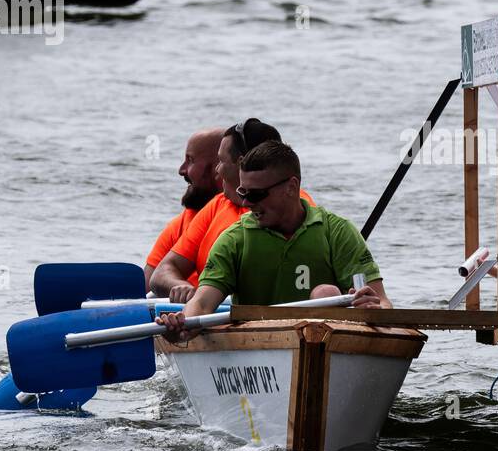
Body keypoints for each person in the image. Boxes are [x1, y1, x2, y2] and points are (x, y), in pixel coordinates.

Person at [157, 141, 389, 341]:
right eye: (243, 192)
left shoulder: (337, 231)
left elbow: (384, 303)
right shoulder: (234, 239)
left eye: (256, 194)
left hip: (328, 343)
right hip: (257, 346)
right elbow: (203, 304)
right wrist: (183, 325)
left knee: (325, 294)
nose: (247, 204)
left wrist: (373, 309)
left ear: (291, 187)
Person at [149, 118, 314, 303]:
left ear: (242, 163)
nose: (217, 170)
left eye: (221, 161)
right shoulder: (218, 204)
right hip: (209, 310)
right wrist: (185, 289)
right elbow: (162, 271)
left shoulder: (294, 209)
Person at [144, 127, 223, 289]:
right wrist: (182, 289)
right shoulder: (181, 222)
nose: (181, 170)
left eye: (191, 160)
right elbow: (146, 286)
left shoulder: (253, 215)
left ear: (219, 167)